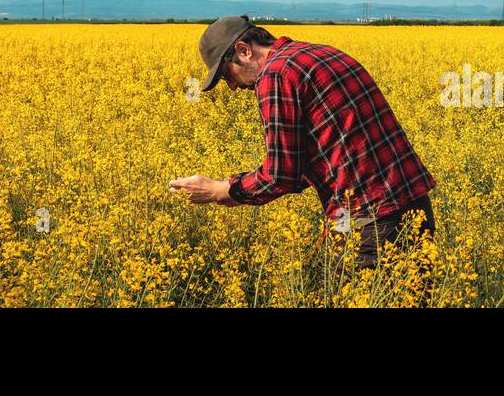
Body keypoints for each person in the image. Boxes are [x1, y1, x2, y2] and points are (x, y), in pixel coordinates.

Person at [170, 15, 437, 271]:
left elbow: (281, 175)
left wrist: (221, 190)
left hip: (367, 217)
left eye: (227, 75)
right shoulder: (319, 54)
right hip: (413, 207)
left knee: (344, 293)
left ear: (244, 51)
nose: (232, 87)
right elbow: (329, 151)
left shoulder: (275, 75)